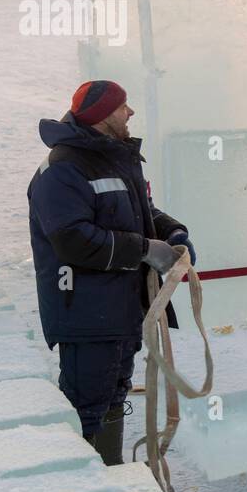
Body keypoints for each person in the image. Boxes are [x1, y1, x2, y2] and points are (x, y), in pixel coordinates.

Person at [27, 80, 196, 464]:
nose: (130, 112)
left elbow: (139, 212)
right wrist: (145, 249)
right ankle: (90, 490)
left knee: (113, 392)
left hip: (117, 308)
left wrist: (171, 232)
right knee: (88, 403)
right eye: (123, 107)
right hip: (85, 314)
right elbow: (72, 239)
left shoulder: (112, 156)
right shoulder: (62, 169)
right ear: (103, 117)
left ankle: (110, 476)